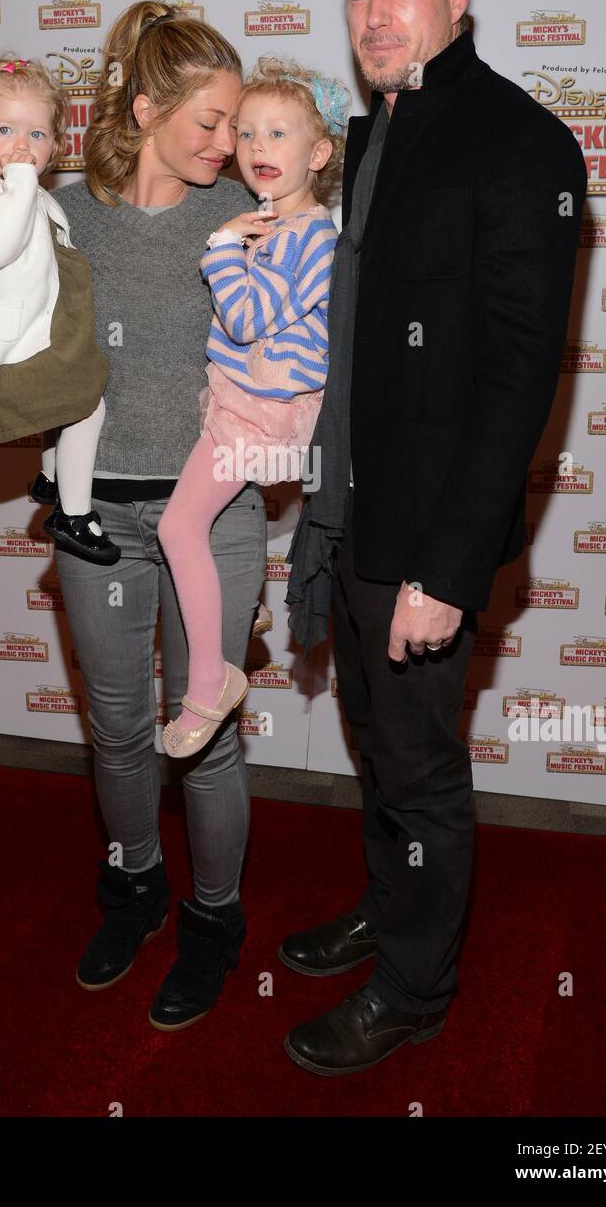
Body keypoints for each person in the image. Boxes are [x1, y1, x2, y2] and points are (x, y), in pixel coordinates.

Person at [282, 0, 588, 1075]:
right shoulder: (372, 133)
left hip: (423, 543)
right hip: (353, 513)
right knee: (377, 747)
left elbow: (517, 382)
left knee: (420, 768)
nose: (374, 15)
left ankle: (414, 987)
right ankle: (388, 906)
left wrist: (446, 569)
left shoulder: (522, 145)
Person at [52, 2, 268, 1032]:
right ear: (145, 108)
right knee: (119, 725)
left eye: (235, 123)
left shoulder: (242, 215)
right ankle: (132, 889)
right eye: (210, 120)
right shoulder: (64, 211)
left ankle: (214, 922)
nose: (227, 144)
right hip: (100, 516)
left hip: (212, 514)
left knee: (208, 734)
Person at [157, 56, 349, 758]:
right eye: (247, 134)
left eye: (278, 133)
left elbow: (245, 317)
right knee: (209, 528)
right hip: (248, 405)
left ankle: (210, 681)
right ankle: (247, 612)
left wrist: (218, 251)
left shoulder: (311, 238)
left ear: (319, 152)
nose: (258, 148)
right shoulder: (275, 225)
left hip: (264, 417)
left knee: (179, 529)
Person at [0, 55, 119, 566]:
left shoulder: (29, 195)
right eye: (4, 129)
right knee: (85, 408)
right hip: (11, 343)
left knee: (65, 408)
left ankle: (51, 477)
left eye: (37, 135)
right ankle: (74, 515)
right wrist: (22, 180)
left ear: (57, 145)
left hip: (44, 330)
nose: (22, 146)